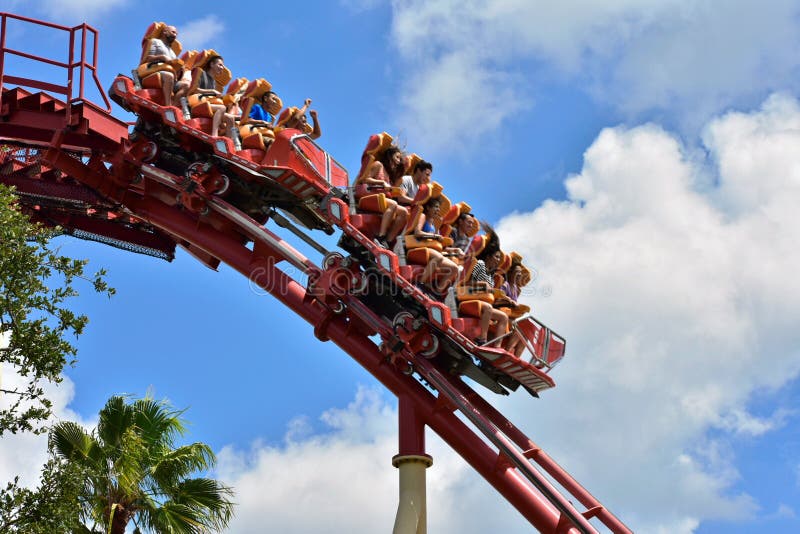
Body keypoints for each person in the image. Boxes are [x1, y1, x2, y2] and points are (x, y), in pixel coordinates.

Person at [356, 145, 409, 248]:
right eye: (397, 157)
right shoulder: (378, 165)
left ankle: (388, 240)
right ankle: (380, 236)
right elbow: (365, 179)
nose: (398, 161)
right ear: (389, 156)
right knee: (393, 205)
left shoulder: (388, 175)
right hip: (370, 196)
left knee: (404, 213)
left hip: (381, 200)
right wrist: (381, 182)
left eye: (399, 159)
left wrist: (396, 191)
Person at [467, 224, 509, 347]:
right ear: (489, 256)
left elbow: (489, 290)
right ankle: (482, 339)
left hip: (483, 301)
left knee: (504, 317)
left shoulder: (491, 275)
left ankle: (497, 347)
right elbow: (468, 283)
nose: (497, 260)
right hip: (471, 296)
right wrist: (483, 285)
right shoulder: (480, 264)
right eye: (496, 257)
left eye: (499, 258)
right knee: (488, 309)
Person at [410, 195, 459, 293]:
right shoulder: (423, 216)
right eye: (436, 207)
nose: (438, 210)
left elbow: (438, 241)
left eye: (439, 208)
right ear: (428, 208)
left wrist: (453, 249)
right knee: (439, 258)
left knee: (454, 268)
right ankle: (420, 284)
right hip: (419, 246)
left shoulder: (433, 224)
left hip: (432, 250)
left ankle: (437, 291)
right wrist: (434, 236)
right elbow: (417, 233)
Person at [188, 54, 238, 145]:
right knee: (221, 108)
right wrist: (212, 91)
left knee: (230, 118)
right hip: (196, 102)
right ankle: (214, 135)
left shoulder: (213, 82)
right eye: (220, 65)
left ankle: (227, 143)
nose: (222, 68)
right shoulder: (201, 73)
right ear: (211, 64)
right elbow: (194, 90)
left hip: (207, 104)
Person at [138, 24, 188, 108]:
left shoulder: (172, 51)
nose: (175, 35)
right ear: (165, 32)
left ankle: (173, 106)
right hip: (152, 71)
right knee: (169, 75)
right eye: (173, 32)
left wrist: (180, 69)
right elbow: (147, 58)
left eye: (176, 34)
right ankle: (167, 106)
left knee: (186, 85)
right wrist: (162, 57)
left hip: (170, 76)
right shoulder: (155, 42)